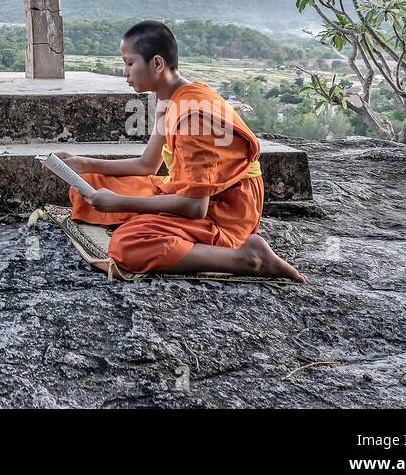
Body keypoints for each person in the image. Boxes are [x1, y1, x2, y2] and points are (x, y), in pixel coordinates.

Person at [56, 20, 304, 282]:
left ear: (157, 64)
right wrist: (82, 163)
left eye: (130, 63)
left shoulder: (192, 118)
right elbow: (146, 165)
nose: (125, 73)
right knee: (87, 186)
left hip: (226, 210)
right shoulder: (168, 98)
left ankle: (249, 258)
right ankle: (158, 226)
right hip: (187, 190)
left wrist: (119, 203)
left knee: (127, 245)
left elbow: (195, 207)